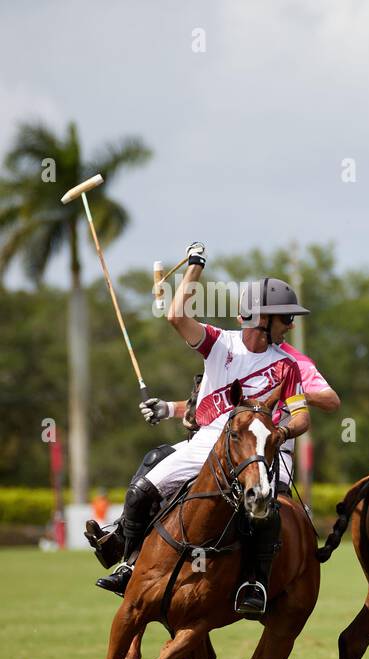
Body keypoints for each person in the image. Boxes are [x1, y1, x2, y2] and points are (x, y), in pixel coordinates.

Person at [94, 243, 312, 616]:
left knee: (266, 510)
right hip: (211, 441)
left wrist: (280, 434)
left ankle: (255, 583)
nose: (291, 325)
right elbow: (176, 315)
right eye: (285, 318)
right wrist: (194, 268)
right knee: (141, 489)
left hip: (262, 449)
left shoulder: (286, 365)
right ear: (261, 318)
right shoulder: (219, 344)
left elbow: (301, 417)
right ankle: (129, 564)